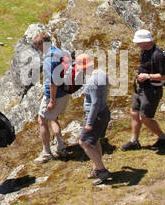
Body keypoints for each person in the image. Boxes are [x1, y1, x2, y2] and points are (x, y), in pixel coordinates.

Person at [123, 29, 165, 152]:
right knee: (134, 112)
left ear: (146, 42)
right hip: (141, 88)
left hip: (152, 91)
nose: (137, 44)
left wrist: (147, 76)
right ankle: (134, 141)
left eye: (139, 42)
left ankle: (163, 138)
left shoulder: (158, 55)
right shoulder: (144, 52)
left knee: (145, 118)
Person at [74, 54, 113, 185]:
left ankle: (102, 171)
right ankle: (96, 167)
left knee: (84, 142)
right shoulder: (101, 73)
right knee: (94, 141)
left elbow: (95, 103)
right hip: (103, 113)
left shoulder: (91, 82)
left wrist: (89, 123)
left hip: (95, 116)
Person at [33, 30, 71, 162]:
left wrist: (51, 100)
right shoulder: (60, 52)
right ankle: (60, 147)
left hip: (55, 95)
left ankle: (46, 152)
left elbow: (53, 82)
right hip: (65, 92)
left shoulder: (49, 59)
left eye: (38, 47)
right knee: (53, 118)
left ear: (42, 45)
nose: (38, 50)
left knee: (42, 121)